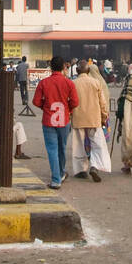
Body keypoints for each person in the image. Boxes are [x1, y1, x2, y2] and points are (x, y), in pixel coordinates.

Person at [32, 56, 79, 189]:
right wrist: (67, 108)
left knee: (52, 149)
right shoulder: (69, 83)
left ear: (51, 67)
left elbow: (36, 101)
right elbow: (75, 102)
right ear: (64, 67)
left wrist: (45, 106)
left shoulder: (44, 83)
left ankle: (56, 179)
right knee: (62, 148)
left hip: (49, 120)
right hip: (64, 120)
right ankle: (61, 172)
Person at [71, 61, 111, 181]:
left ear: (77, 71)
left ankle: (80, 170)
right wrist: (104, 117)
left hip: (78, 118)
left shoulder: (73, 83)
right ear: (88, 71)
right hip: (94, 119)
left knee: (78, 145)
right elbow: (102, 103)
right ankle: (95, 166)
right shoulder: (96, 83)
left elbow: (70, 102)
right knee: (98, 144)